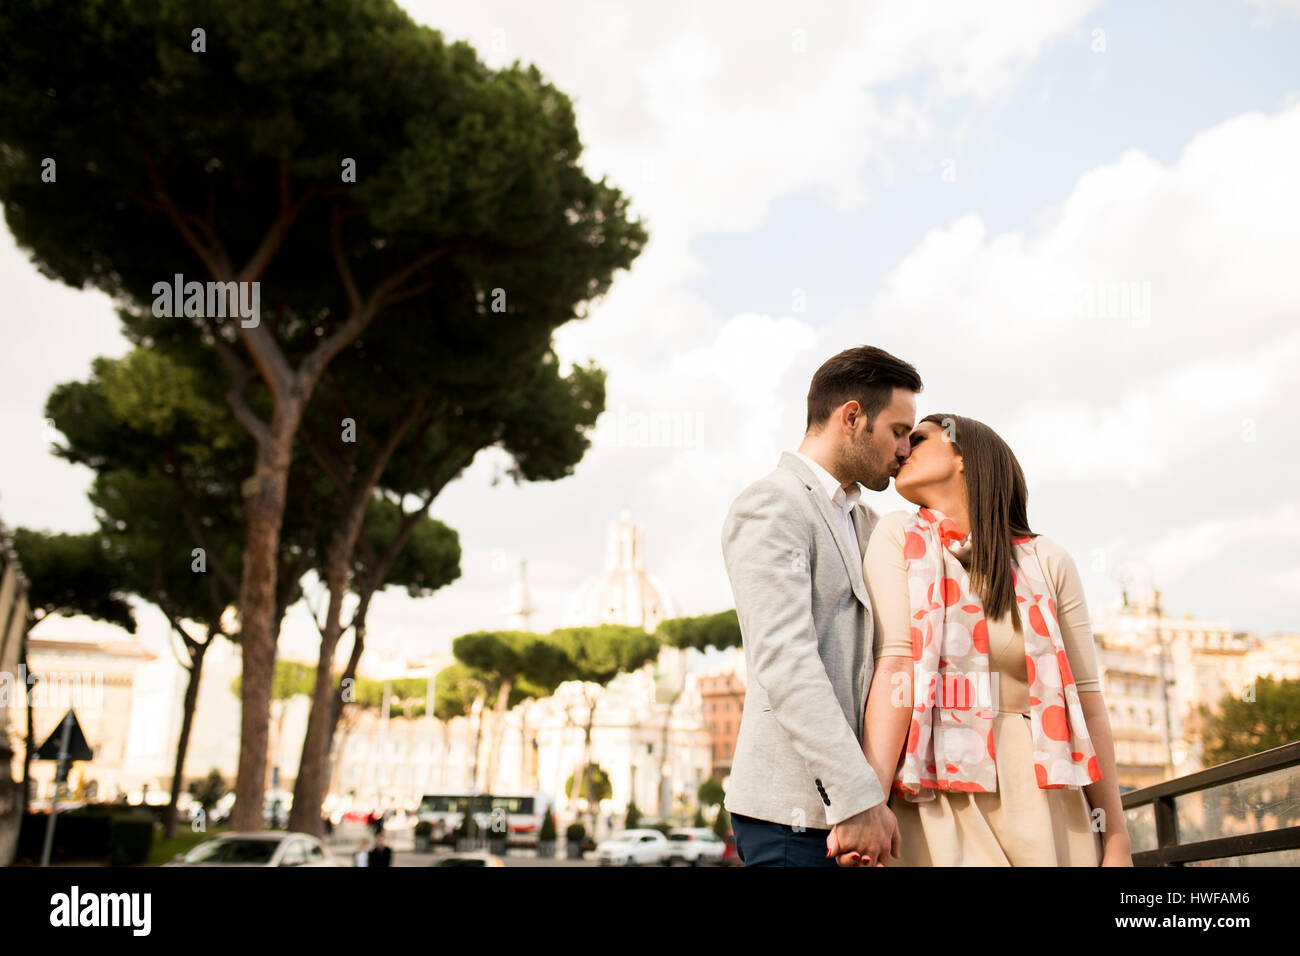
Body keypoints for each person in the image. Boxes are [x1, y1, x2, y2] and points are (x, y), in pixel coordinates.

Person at [860, 413, 1133, 866]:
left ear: (964, 456)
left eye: (919, 438)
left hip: (1045, 799)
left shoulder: (1047, 560)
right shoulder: (895, 536)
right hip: (934, 796)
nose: (903, 448)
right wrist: (869, 803)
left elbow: (1086, 700)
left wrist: (1118, 835)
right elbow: (896, 667)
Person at [720, 345, 923, 866]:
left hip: (856, 816)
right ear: (852, 417)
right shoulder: (772, 504)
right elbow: (787, 662)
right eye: (899, 431)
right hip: (793, 815)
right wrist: (857, 798)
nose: (905, 450)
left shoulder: (867, 523)